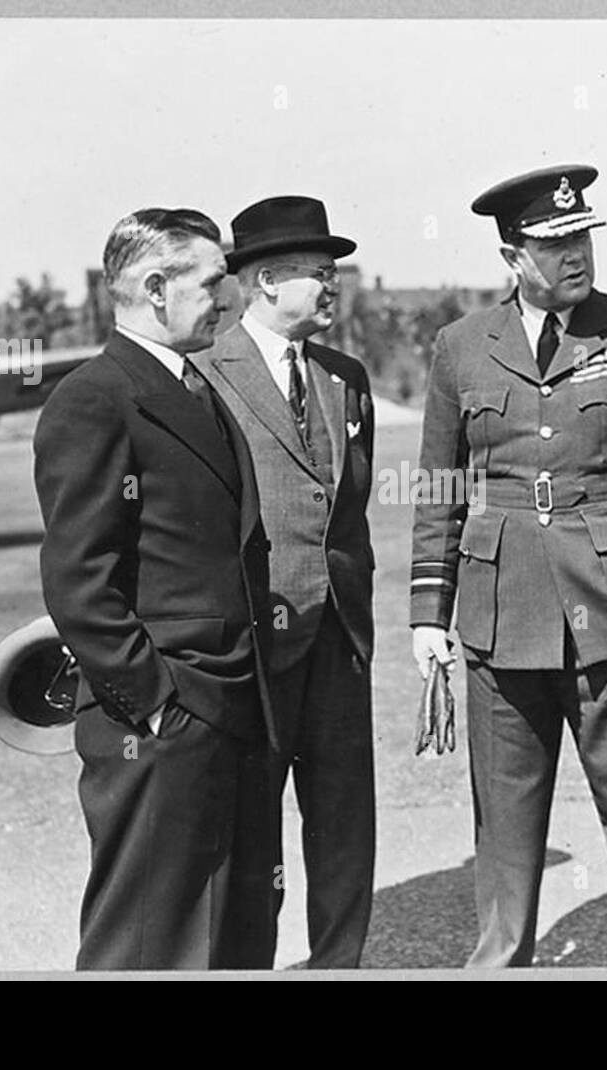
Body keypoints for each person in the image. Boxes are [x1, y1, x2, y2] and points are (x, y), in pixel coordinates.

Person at [409, 164, 607, 967]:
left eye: (583, 236)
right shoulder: (462, 347)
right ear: (513, 256)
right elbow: (441, 481)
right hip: (500, 618)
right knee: (504, 831)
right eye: (554, 242)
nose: (576, 253)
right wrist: (427, 617)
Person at [34, 208, 280, 970]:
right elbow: (79, 583)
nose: (228, 299)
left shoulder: (191, 385)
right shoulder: (95, 398)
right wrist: (161, 705)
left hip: (232, 710)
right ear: (154, 287)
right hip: (163, 725)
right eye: (211, 283)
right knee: (146, 940)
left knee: (235, 933)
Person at [197, 196, 376, 968]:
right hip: (256, 649)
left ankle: (341, 965)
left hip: (338, 639)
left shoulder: (346, 378)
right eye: (317, 273)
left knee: (344, 830)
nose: (333, 286)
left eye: (334, 272)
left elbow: (348, 511)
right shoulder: (206, 375)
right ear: (266, 280)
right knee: (250, 835)